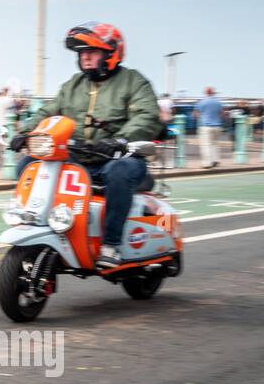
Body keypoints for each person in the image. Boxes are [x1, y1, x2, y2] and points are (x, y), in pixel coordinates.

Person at [11, 22, 161, 270]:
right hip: (78, 158)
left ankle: (111, 244)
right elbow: (48, 112)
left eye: (92, 51)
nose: (85, 57)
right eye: (82, 52)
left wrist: (120, 140)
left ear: (111, 53)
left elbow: (147, 115)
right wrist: (25, 132)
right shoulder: (73, 85)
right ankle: (35, 226)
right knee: (28, 165)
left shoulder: (133, 81)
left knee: (119, 172)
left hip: (118, 158)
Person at [194, 87, 224, 169]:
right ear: (213, 93)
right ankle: (215, 161)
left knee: (206, 145)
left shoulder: (202, 102)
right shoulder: (218, 102)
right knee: (214, 144)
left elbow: (196, 114)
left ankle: (207, 163)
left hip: (205, 126)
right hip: (217, 126)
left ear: (206, 93)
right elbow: (222, 113)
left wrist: (200, 118)